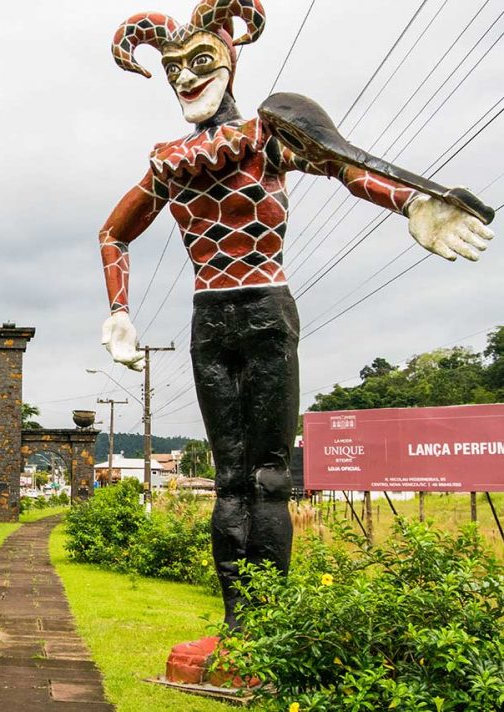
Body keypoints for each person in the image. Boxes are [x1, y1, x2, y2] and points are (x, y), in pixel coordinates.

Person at [98, 0, 494, 628]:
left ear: (230, 61)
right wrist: (118, 310)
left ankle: (263, 625)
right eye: (172, 67)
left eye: (198, 60)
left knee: (267, 477)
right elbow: (113, 233)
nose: (185, 77)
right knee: (236, 479)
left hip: (259, 306)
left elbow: (344, 165)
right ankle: (243, 624)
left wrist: (412, 202)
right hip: (219, 315)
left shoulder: (267, 135)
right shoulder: (170, 163)